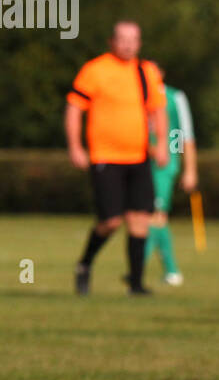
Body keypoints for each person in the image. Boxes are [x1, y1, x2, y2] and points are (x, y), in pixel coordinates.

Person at [66, 21, 168, 296]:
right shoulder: (95, 69)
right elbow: (75, 107)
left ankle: (136, 283)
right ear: (112, 41)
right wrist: (76, 146)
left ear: (140, 43)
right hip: (105, 157)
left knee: (140, 219)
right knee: (111, 220)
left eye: (133, 39)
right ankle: (84, 264)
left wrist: (163, 145)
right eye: (123, 39)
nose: (128, 44)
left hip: (138, 156)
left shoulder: (146, 72)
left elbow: (158, 111)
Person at [146, 68, 197, 285]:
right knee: (147, 216)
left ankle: (161, 269)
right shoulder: (139, 95)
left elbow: (186, 135)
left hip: (165, 164)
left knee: (155, 216)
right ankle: (166, 271)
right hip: (140, 163)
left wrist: (189, 169)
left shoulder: (175, 97)